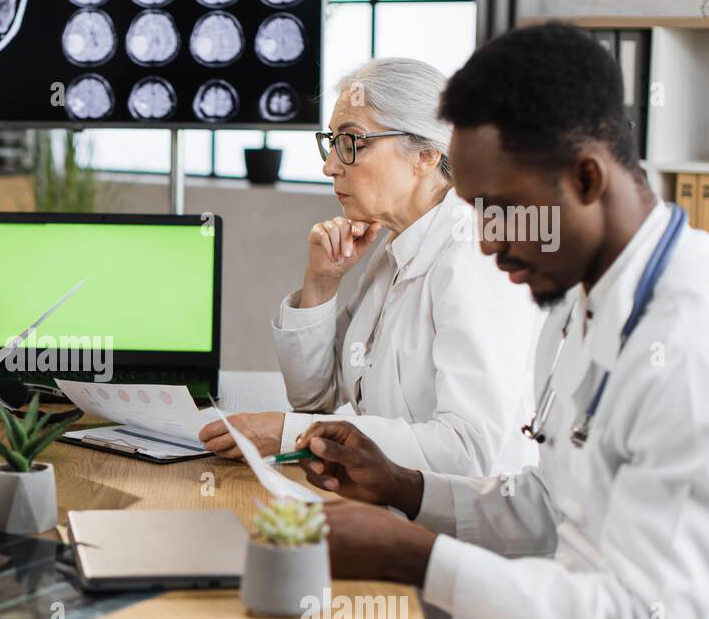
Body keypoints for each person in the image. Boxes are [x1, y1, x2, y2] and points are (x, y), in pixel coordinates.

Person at [192, 22, 709, 619]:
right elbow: (543, 501)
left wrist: (414, 554)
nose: (487, 242)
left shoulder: (686, 344)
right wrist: (403, 488)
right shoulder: (582, 301)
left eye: (498, 210)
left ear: (588, 181)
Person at [200, 58, 540, 478]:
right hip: (392, 508)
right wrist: (321, 284)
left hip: (457, 529)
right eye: (332, 143)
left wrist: (289, 435)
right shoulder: (394, 248)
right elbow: (315, 399)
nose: (330, 166)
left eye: (353, 142)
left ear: (427, 155)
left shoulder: (477, 257)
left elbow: (467, 451)